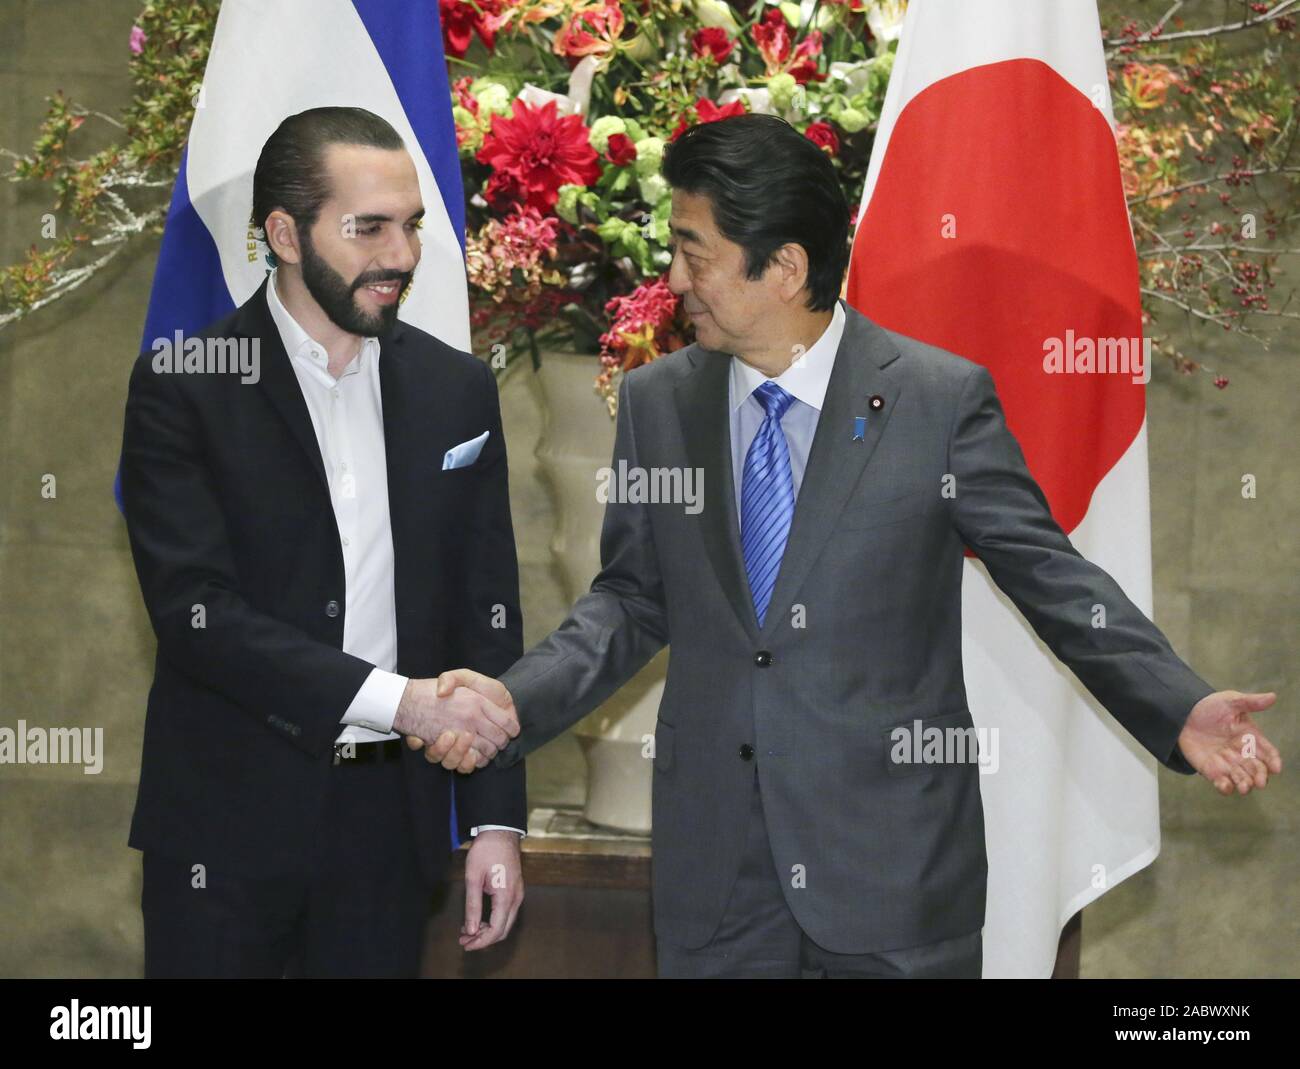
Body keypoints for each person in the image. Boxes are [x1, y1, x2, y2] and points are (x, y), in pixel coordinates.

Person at [415, 113, 1281, 979]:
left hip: (893, 874)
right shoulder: (659, 402)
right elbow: (632, 599)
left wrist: (1177, 703)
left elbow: (1050, 575)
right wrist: (512, 702)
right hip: (718, 881)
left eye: (693, 251)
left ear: (785, 267)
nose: (673, 278)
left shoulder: (937, 401)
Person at [120, 106, 525, 977]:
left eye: (411, 225)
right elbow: (197, 614)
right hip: (224, 829)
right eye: (368, 228)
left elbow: (485, 615)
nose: (402, 254)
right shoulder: (184, 384)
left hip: (391, 832)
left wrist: (494, 820)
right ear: (284, 235)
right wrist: (402, 701)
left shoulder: (457, 390)